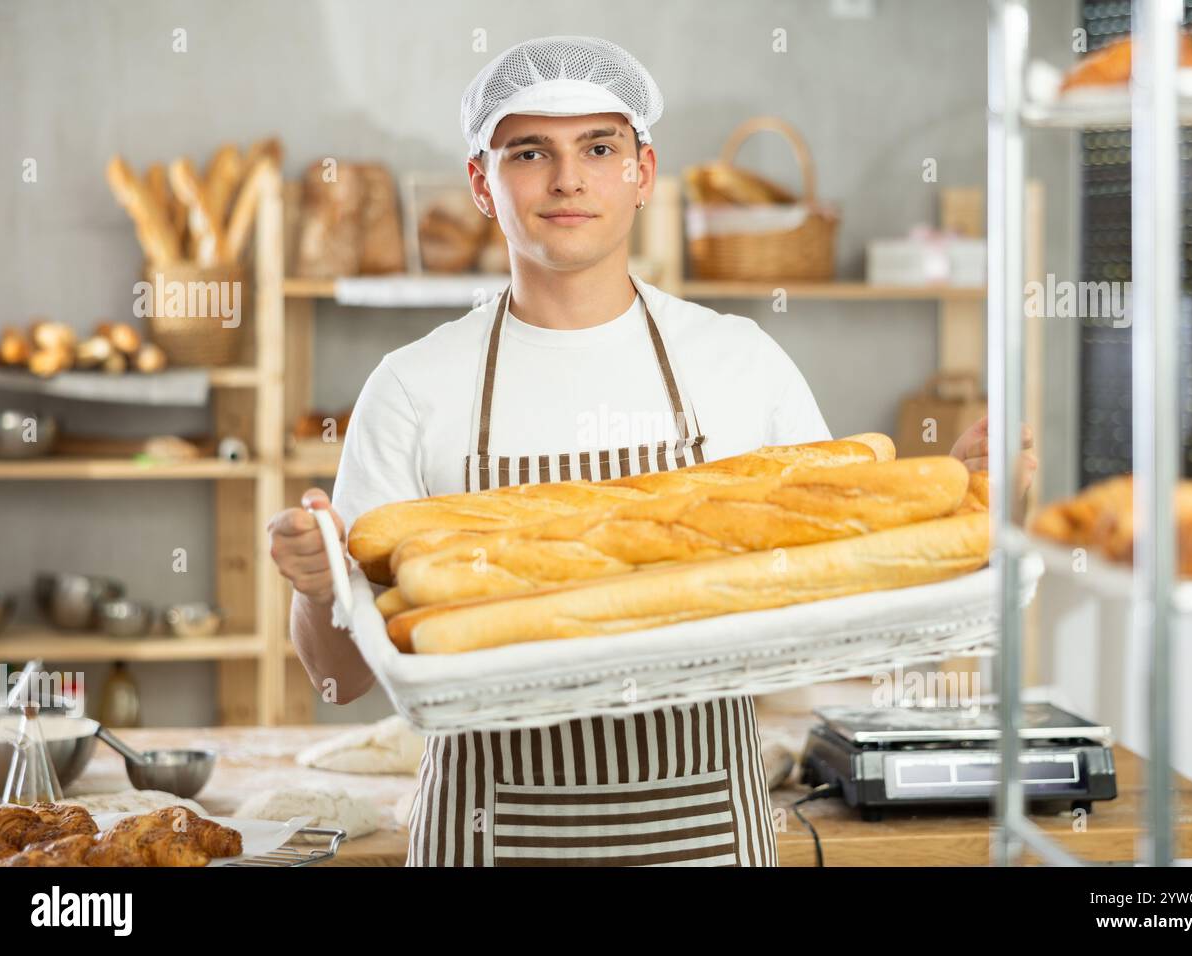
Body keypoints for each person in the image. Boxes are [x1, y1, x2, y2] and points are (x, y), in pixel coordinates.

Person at [268, 35, 1034, 867]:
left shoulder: (738, 360)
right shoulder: (414, 384)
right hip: (490, 835)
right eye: (530, 152)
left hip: (707, 834)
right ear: (483, 184)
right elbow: (341, 680)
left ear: (643, 172)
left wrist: (975, 506)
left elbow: (855, 588)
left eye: (599, 148)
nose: (568, 178)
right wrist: (318, 588)